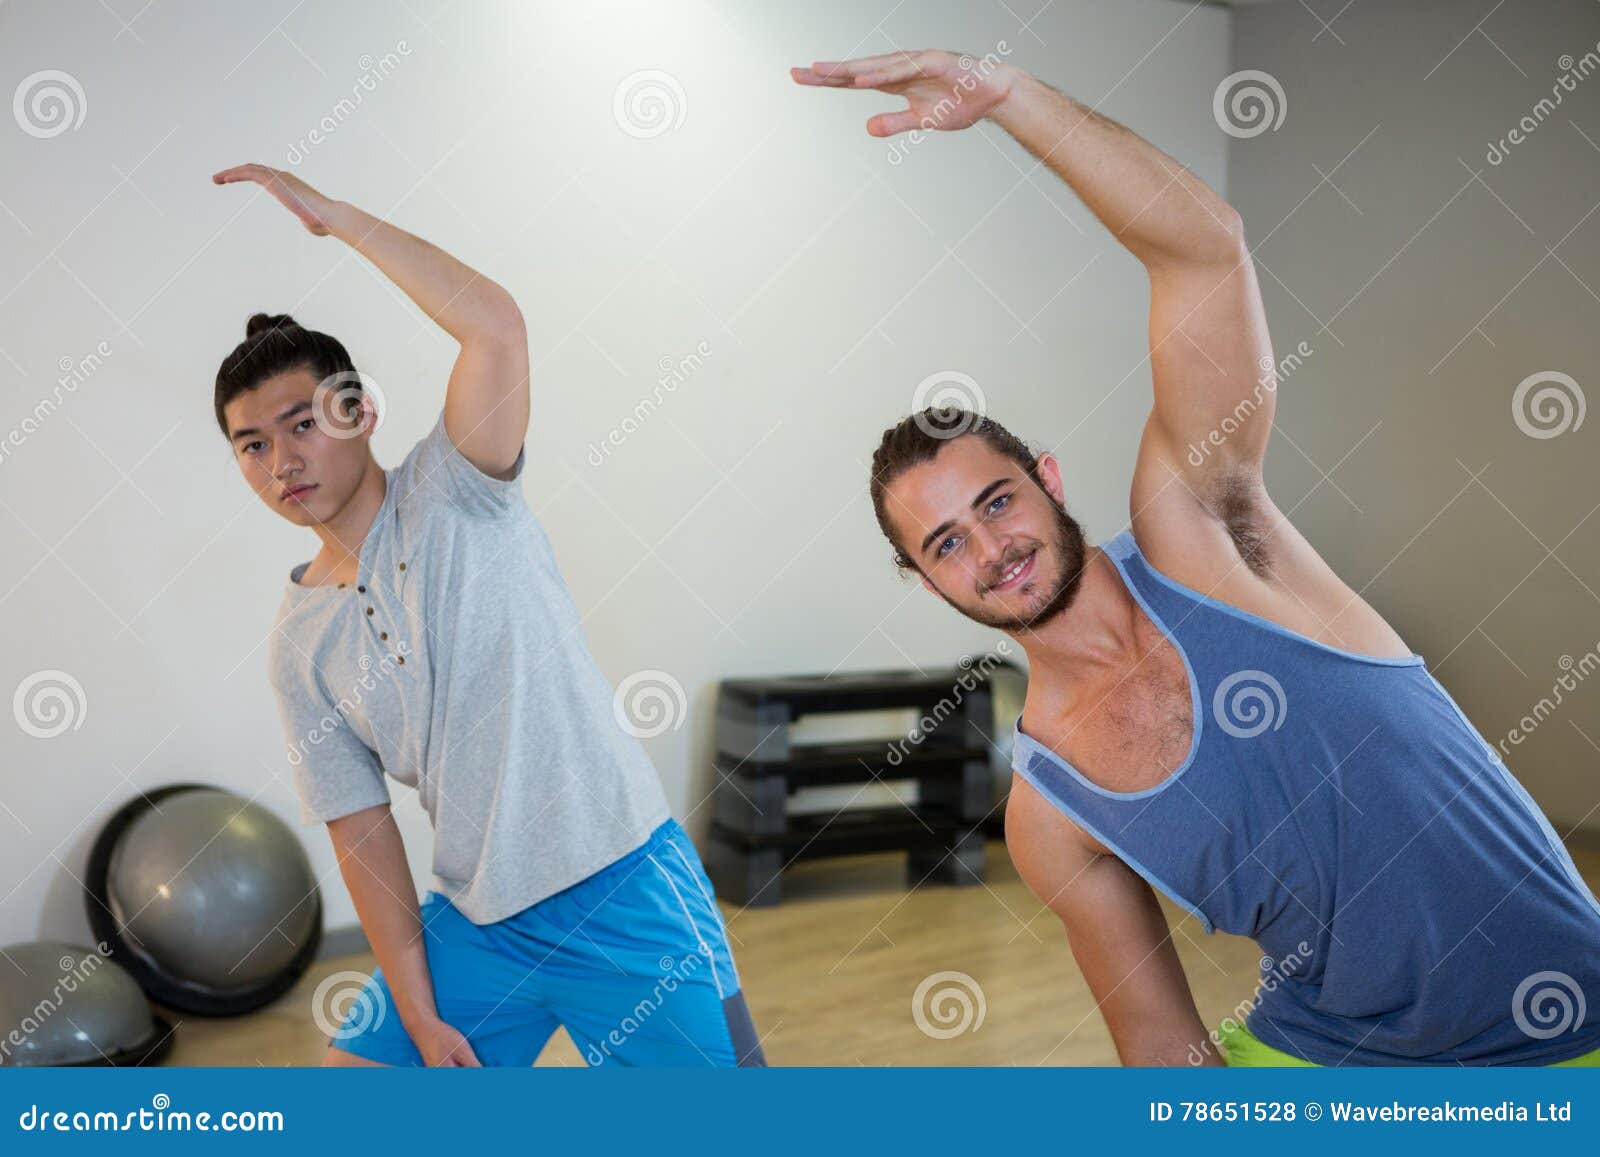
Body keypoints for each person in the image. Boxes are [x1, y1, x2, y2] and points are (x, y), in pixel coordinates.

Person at [795, 51, 1600, 1067]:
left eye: (996, 501)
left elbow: (1203, 254)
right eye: (946, 542)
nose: (991, 549)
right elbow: (1159, 1041)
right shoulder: (1048, 811)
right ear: (924, 578)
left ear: (1046, 477)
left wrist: (1014, 100)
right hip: (1327, 1067)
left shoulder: (1203, 538)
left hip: (1575, 1031)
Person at [212, 164, 764, 1068]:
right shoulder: (298, 645)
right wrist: (421, 1017)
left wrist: (340, 219)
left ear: (355, 411)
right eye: (253, 444)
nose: (283, 461)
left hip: (623, 887)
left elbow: (496, 326)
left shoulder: (456, 487)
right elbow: (363, 831)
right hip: (478, 918)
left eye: (301, 422)